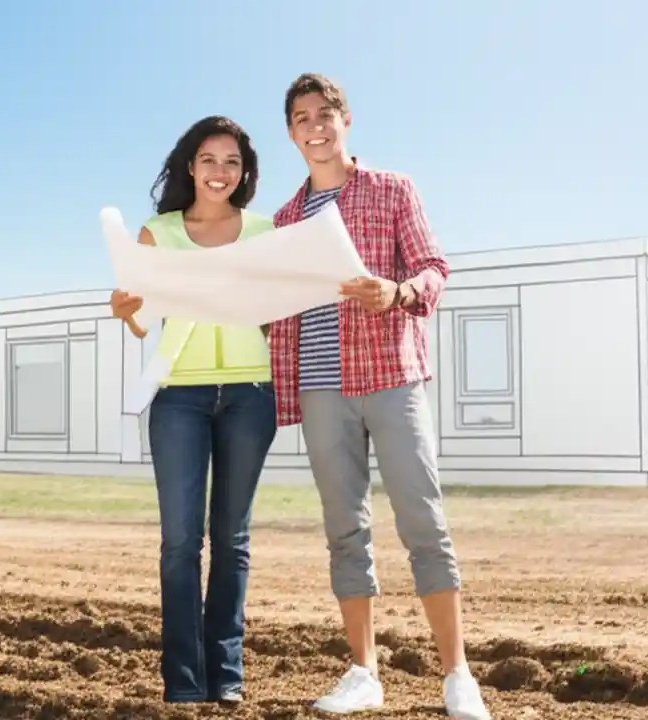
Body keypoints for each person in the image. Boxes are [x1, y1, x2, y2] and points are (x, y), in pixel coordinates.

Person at [265, 73, 491, 719]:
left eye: (325, 114)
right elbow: (272, 303)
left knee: (424, 522)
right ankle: (364, 673)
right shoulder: (283, 220)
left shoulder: (393, 189)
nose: (315, 127)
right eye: (302, 118)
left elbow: (434, 268)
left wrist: (398, 292)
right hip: (320, 388)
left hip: (391, 377)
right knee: (345, 531)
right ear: (291, 134)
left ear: (345, 120)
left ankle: (457, 676)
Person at [110, 115, 278, 705]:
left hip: (250, 394)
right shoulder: (157, 232)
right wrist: (126, 310)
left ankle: (226, 678)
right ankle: (183, 684)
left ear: (244, 172)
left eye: (232, 162)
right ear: (190, 165)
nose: (219, 171)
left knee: (232, 540)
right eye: (209, 159)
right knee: (181, 542)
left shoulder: (265, 231)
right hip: (179, 396)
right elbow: (141, 321)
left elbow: (277, 312)